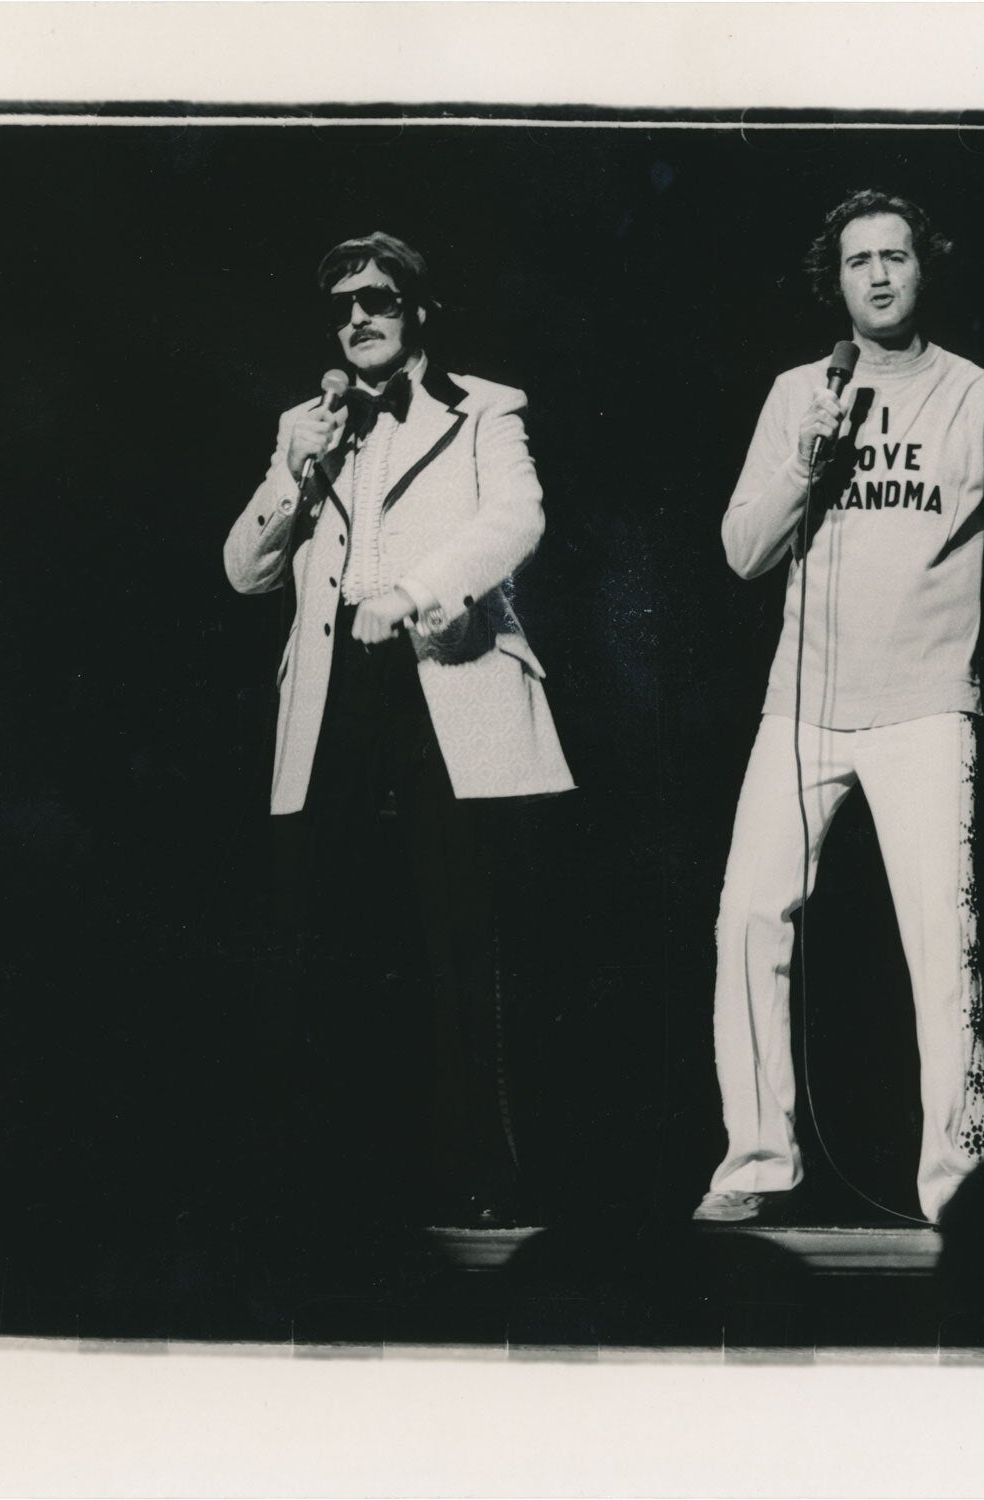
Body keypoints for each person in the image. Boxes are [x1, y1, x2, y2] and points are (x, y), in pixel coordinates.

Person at [695, 189, 984, 1226]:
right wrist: (805, 456)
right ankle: (756, 1161)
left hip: (922, 706)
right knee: (744, 920)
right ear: (838, 277)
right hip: (803, 706)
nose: (875, 274)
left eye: (893, 257)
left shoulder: (976, 397)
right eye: (857, 259)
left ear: (920, 269)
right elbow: (741, 552)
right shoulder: (795, 394)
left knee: (937, 943)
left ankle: (956, 1184)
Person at [224, 230, 572, 1227]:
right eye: (340, 307)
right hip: (335, 697)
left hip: (441, 679)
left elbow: (516, 519)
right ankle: (333, 1173)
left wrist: (417, 590)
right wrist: (293, 475)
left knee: (460, 933)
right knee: (327, 929)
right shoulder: (308, 423)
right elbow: (243, 572)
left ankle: (482, 1174)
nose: (356, 319)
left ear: (416, 312)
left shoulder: (481, 409)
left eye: (375, 299)